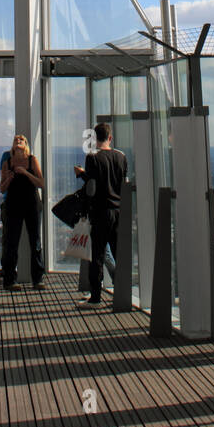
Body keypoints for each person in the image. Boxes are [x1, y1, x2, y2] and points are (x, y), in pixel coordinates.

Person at [82, 122, 127, 306]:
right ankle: (123, 294)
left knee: (97, 255)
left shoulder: (92, 157)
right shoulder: (121, 157)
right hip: (119, 210)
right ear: (110, 137)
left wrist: (82, 175)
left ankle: (95, 297)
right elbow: (124, 182)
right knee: (118, 252)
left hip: (101, 211)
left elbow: (91, 187)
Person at [0, 134, 44, 290]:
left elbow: (41, 183)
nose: (18, 141)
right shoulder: (7, 163)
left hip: (31, 204)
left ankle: (38, 279)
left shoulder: (32, 160)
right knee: (12, 243)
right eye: (15, 140)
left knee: (35, 242)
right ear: (13, 146)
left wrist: (26, 173)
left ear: (26, 144)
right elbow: (2, 188)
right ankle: (10, 280)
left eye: (21, 139)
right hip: (13, 205)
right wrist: (9, 178)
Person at [74, 157, 116, 286]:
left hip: (99, 213)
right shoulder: (114, 161)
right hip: (112, 211)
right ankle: (114, 279)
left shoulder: (95, 160)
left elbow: (93, 187)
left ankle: (108, 282)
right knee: (105, 251)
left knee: (101, 252)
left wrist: (82, 174)